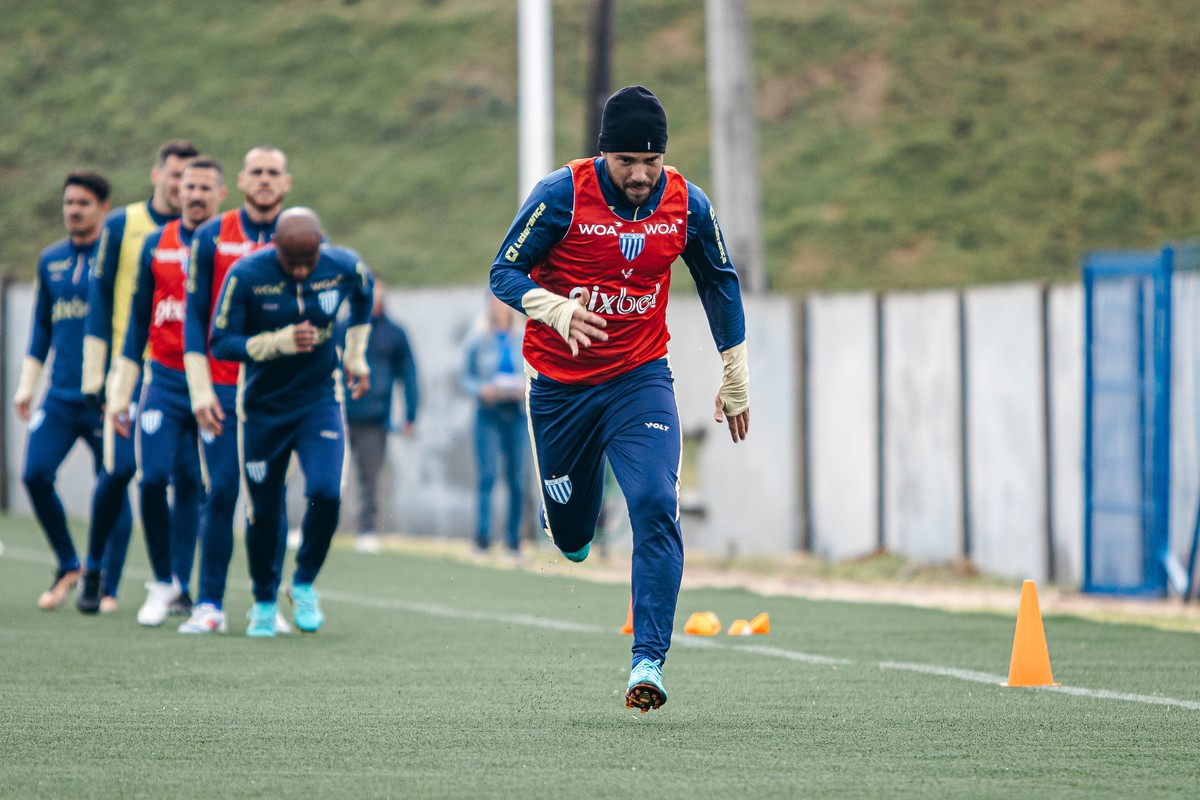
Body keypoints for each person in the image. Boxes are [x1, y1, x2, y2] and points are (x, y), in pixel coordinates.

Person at [489, 86, 750, 712]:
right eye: (625, 160)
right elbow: (504, 272)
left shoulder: (687, 203)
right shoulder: (561, 194)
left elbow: (718, 280)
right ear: (603, 153)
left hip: (640, 379)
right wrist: (552, 307)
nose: (639, 174)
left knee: (658, 502)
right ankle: (567, 524)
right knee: (573, 537)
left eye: (650, 162)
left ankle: (648, 663)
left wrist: (734, 369)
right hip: (559, 387)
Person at [209, 207, 373, 637]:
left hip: (320, 399)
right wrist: (275, 343)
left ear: (322, 243)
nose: (301, 272)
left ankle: (302, 583)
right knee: (263, 510)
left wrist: (355, 353)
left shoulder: (342, 265)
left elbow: (363, 293)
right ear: (274, 248)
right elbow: (220, 341)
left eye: (308, 262)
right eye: (291, 263)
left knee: (325, 492)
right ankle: (263, 600)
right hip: (262, 408)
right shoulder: (246, 275)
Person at [79, 139, 201, 614]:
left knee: (189, 477)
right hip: (127, 372)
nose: (180, 186)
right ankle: (93, 568)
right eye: (174, 176)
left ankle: (178, 583)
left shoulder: (206, 233)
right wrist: (98, 376)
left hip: (182, 373)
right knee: (121, 470)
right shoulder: (123, 226)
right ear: (157, 175)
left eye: (189, 179)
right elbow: (101, 299)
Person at [104, 157, 226, 625]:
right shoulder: (157, 243)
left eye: (202, 188)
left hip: (218, 381)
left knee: (212, 487)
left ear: (220, 195)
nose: (193, 194)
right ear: (175, 190)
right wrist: (120, 392)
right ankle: (164, 583)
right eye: (185, 186)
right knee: (152, 478)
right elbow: (137, 322)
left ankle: (204, 589)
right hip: (166, 380)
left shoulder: (228, 244)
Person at [181, 145, 293, 634]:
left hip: (276, 395)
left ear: (286, 183)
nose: (265, 180)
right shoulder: (210, 237)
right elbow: (194, 319)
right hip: (224, 390)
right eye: (257, 172)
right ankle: (208, 604)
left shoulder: (302, 235)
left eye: (274, 173)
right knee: (222, 488)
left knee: (268, 499)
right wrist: (200, 389)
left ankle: (266, 604)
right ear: (241, 183)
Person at [13, 171, 133, 611]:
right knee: (35, 473)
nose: (74, 211)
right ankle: (68, 564)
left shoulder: (118, 259)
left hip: (107, 397)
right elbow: (42, 326)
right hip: (61, 396)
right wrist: (27, 385)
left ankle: (108, 586)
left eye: (83, 203)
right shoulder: (51, 260)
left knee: (113, 481)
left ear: (103, 207)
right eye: (68, 203)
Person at [338, 280, 419, 553]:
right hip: (337, 415)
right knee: (328, 475)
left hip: (374, 417)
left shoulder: (394, 333)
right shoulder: (340, 329)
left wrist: (410, 414)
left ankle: (367, 529)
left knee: (370, 478)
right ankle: (317, 526)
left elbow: (409, 375)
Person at [460, 293, 527, 559]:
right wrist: (482, 389)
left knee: (517, 480)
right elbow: (465, 377)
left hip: (516, 413)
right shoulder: (478, 338)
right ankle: (483, 539)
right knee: (487, 477)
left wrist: (525, 388)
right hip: (488, 414)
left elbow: (535, 371)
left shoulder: (522, 337)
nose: (499, 307)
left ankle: (513, 541)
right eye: (494, 302)